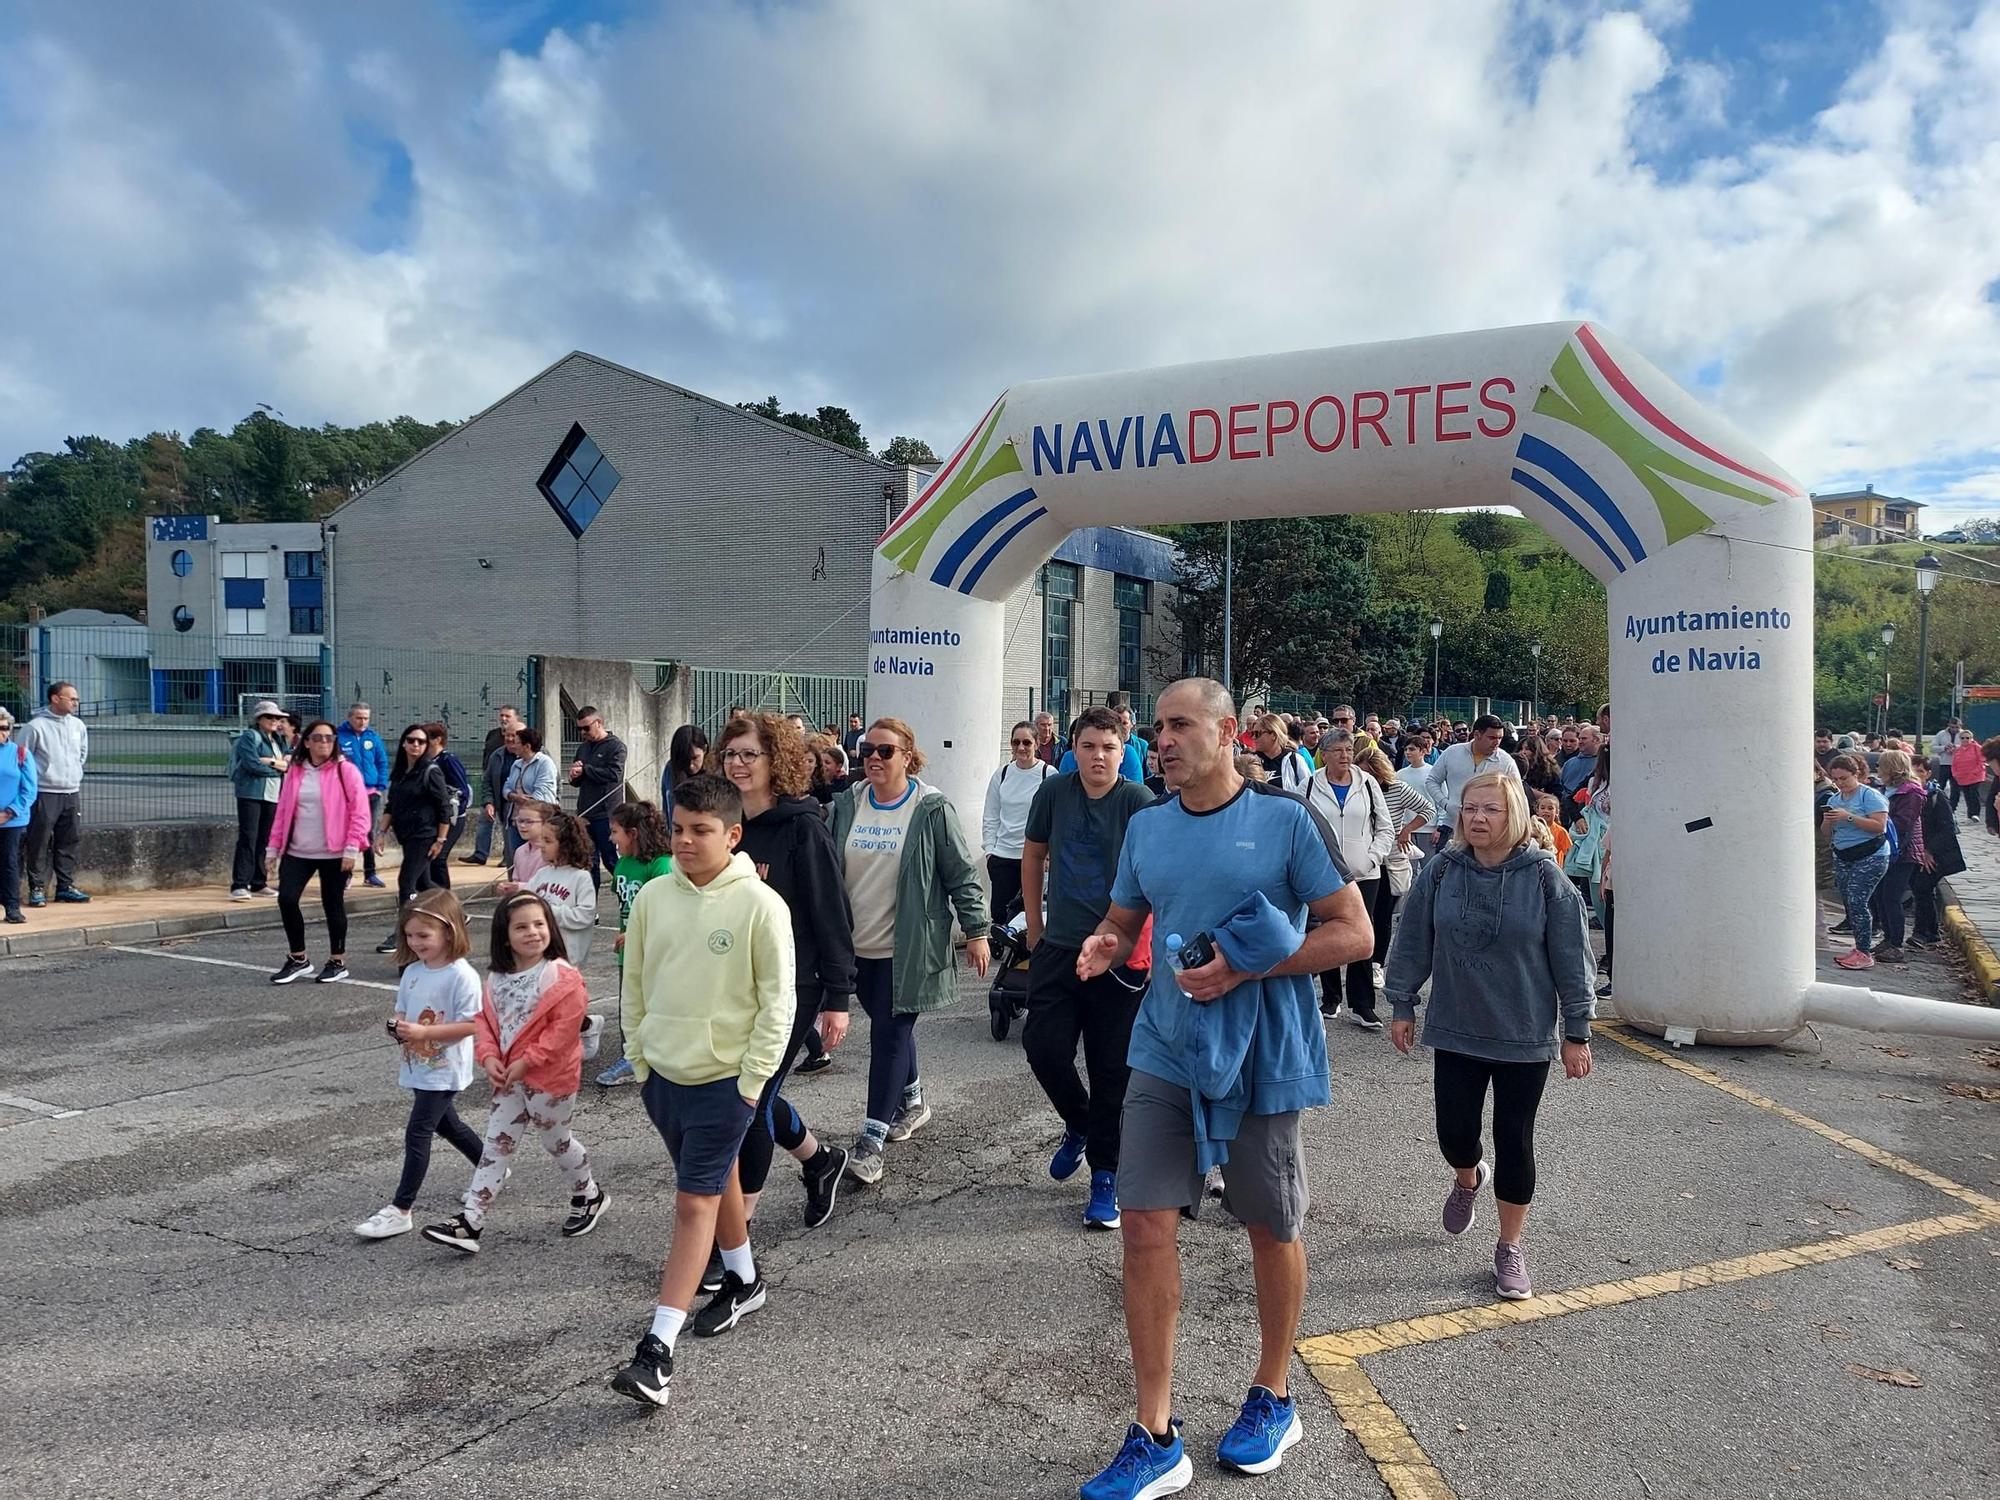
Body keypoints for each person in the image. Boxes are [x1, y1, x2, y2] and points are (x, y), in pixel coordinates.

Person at [1075, 679, 1372, 1495]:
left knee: (1269, 1226)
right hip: (1165, 1048)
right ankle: (1155, 1433)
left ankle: (1274, 1395)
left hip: (1263, 1052)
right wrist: (1104, 942)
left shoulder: (1284, 821)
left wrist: (1249, 962)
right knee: (1142, 1223)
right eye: (1157, 728)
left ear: (1227, 731)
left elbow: (1355, 931)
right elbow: (1125, 918)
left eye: (1178, 726)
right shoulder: (1146, 826)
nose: (1161, 741)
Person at [611, 774, 797, 1407]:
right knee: (714, 1185)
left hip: (726, 1084)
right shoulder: (656, 898)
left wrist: (751, 1085)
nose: (686, 841)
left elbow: (778, 1003)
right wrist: (640, 1059)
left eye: (701, 831)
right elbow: (633, 983)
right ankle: (745, 1278)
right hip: (663, 1077)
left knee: (693, 1204)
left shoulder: (760, 905)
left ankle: (657, 1351)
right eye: (679, 828)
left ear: (733, 834)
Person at [1384, 771, 1596, 1302]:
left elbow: (1574, 958)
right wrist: (1403, 1001)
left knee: (1514, 1137)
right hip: (1457, 1026)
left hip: (1524, 1034)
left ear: (1515, 816)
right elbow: (1413, 937)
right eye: (1470, 808)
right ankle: (1467, 1177)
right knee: (1454, 1133)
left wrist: (1577, 1030)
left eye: (1491, 810)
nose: (1478, 818)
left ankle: (1509, 1245)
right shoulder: (1442, 871)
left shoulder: (1547, 879)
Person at [829, 716, 990, 1186]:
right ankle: (913, 1099)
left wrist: (977, 929)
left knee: (890, 1033)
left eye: (885, 751)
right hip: (856, 947)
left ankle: (871, 1141)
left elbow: (960, 872)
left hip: (909, 946)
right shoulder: (846, 804)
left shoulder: (930, 807)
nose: (873, 759)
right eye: (867, 751)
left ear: (907, 756)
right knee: (888, 1021)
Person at [720, 713, 858, 1230]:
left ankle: (737, 1236)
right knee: (752, 1089)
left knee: (749, 1100)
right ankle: (820, 1162)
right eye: (731, 753)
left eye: (748, 754)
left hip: (795, 985)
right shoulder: (727, 828)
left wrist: (839, 998)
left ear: (775, 760)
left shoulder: (804, 829)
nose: (737, 763)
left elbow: (833, 916)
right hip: (734, 982)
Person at [1020, 706, 1155, 1232]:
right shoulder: (1054, 792)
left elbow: (1150, 878)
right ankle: (1079, 1123)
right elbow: (1033, 857)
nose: (1098, 756)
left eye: (1109, 747)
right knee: (1043, 1048)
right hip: (1058, 946)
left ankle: (1105, 1175)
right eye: (1089, 746)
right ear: (1073, 749)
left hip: (1119, 954)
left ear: (1124, 753)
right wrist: (1035, 930)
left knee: (1111, 1069)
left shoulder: (1137, 802)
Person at [422, 891, 606, 1253]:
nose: (533, 933)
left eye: (539, 924)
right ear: (504, 936)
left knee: (557, 1142)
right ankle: (471, 1220)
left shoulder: (562, 977)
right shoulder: (497, 978)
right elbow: (485, 1023)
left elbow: (563, 1031)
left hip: (548, 1080)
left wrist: (527, 1061)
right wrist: (488, 1057)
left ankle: (589, 1193)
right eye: (521, 927)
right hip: (509, 1079)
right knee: (495, 1145)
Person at [353, 889, 484, 1241]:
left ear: (450, 931)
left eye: (423, 935)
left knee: (418, 1131)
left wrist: (425, 1031)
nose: (415, 942)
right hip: (419, 1064)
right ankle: (492, 1169)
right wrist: (397, 1027)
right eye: (409, 935)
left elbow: (474, 1024)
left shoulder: (461, 975)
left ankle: (401, 1209)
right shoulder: (412, 971)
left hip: (444, 1068)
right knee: (449, 1126)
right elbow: (402, 1010)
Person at [265, 719, 370, 985]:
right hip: (298, 849)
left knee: (332, 904)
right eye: (318, 737)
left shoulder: (346, 771)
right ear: (307, 741)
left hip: (334, 851)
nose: (324, 742)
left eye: (329, 738)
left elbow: (360, 812)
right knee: (287, 899)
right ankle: (298, 958)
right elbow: (283, 812)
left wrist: (351, 847)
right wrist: (273, 848)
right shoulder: (296, 771)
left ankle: (337, 961)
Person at [1304, 729, 1395, 1029]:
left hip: (1364, 872)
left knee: (1361, 932)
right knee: (1328, 931)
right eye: (1338, 750)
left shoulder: (1367, 783)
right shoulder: (1309, 785)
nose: (1345, 756)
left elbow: (1385, 827)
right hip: (1324, 872)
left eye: (1348, 750)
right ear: (1325, 754)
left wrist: (1373, 856)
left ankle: (1363, 1003)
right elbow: (1299, 825)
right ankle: (1331, 997)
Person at [593, 799, 675, 1087]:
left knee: (653, 1005)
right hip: (628, 951)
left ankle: (644, 1059)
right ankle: (634, 1055)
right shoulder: (624, 865)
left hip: (653, 951)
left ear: (634, 833)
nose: (611, 838)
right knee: (628, 1005)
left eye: (615, 832)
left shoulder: (662, 865)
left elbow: (669, 911)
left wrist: (638, 934)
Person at [373, 725, 457, 955]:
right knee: (425, 885)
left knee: (406, 883)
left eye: (421, 742)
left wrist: (440, 839)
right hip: (406, 836)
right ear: (403, 743)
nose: (416, 745)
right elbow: (391, 806)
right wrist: (380, 833)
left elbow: (444, 808)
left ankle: (402, 936)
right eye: (411, 740)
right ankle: (454, 914)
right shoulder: (401, 772)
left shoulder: (431, 771)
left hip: (424, 835)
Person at [20, 680, 90, 907]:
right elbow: (22, 758)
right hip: (45, 793)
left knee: (68, 841)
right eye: (72, 698)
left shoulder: (78, 726)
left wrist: (73, 775)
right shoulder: (35, 726)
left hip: (71, 792)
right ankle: (37, 889)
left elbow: (81, 754)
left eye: (77, 699)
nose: (76, 703)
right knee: (39, 842)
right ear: (55, 698)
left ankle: (65, 887)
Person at [502, 808, 598, 967]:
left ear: (566, 845)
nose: (541, 846)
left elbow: (585, 916)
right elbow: (527, 902)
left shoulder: (580, 877)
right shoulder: (541, 874)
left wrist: (546, 910)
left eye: (548, 841)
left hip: (567, 958)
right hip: (542, 956)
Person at [1822, 753, 1890, 971]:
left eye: (1844, 778)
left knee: (1857, 900)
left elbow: (1880, 827)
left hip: (1871, 854)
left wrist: (1848, 817)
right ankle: (1859, 946)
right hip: (1843, 854)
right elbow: (1826, 834)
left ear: (1856, 774)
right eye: (1836, 780)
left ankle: (1864, 950)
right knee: (1849, 902)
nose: (1840, 784)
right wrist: (1828, 820)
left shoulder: (1869, 796)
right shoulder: (1834, 799)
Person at [983, 722, 1057, 923]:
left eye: (1027, 742)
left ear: (1037, 744)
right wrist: (990, 851)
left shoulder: (1049, 775)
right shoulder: (1002, 774)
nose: (1021, 748)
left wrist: (1049, 853)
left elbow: (1055, 818)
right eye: (1016, 743)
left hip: (1035, 857)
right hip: (1003, 855)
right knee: (1000, 914)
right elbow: (991, 815)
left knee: (1029, 916)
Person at [1866, 749, 1927, 965]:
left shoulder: (1911, 792)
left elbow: (1904, 824)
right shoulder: (1887, 789)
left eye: (1882, 765)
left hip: (1903, 852)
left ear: (1892, 768)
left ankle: (1896, 943)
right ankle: (1888, 937)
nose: (1878, 769)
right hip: (1886, 848)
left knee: (1892, 897)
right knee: (1881, 895)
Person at [227, 701, 289, 901]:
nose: (274, 721)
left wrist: (272, 763)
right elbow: (252, 764)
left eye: (277, 718)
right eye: (269, 717)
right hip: (250, 793)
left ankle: (259, 882)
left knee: (265, 839)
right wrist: (277, 768)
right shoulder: (249, 737)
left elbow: (288, 764)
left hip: (272, 794)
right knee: (248, 837)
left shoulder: (278, 740)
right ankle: (239, 883)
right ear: (259, 719)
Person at [1427, 714, 1522, 842]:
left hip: (1489, 830)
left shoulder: (1506, 761)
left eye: (1500, 738)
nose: (1497, 742)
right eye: (1492, 737)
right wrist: (1446, 804)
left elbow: (1518, 796)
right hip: (1453, 826)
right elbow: (1432, 781)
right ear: (1477, 735)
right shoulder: (1452, 752)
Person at [569, 705, 627, 887]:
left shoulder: (616, 747)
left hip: (606, 813)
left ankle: (627, 898)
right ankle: (589, 909)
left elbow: (615, 774)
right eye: (579, 729)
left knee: (611, 860)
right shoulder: (583, 749)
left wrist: (586, 769)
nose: (583, 733)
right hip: (586, 813)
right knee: (588, 864)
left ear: (599, 723)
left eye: (586, 728)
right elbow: (579, 780)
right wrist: (574, 775)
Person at [337, 703, 391, 888]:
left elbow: (382, 762)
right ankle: (346, 874)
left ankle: (370, 873)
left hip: (371, 792)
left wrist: (380, 786)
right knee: (348, 832)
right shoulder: (338, 736)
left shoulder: (373, 738)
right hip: (347, 793)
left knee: (367, 832)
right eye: (359, 718)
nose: (362, 721)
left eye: (366, 718)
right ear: (350, 717)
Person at [463, 706, 525, 865]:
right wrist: (489, 801)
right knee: (486, 820)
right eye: (501, 715)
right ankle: (480, 854)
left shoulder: (535, 756)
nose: (510, 739)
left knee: (511, 831)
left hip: (518, 800)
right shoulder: (495, 746)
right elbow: (488, 772)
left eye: (507, 716)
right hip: (496, 791)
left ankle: (508, 858)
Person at [501, 725, 559, 864]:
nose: (514, 746)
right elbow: (506, 788)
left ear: (527, 746)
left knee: (538, 861)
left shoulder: (545, 763)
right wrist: (514, 797)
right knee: (516, 861)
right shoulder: (516, 764)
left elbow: (542, 795)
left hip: (538, 822)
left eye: (517, 743)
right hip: (516, 820)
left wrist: (524, 801)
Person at [423, 722, 471, 887]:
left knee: (439, 856)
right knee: (429, 857)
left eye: (425, 739)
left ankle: (445, 897)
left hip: (451, 817)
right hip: (433, 817)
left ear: (437, 740)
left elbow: (462, 790)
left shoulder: (448, 760)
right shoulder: (426, 761)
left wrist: (448, 800)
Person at [0, 707, 36, 924]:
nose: (1, 732)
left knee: (9, 862)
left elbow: (30, 789)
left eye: (4, 727)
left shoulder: (20, 753)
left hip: (12, 820)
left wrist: (10, 812)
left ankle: (12, 907)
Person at [1249, 712, 1314, 795]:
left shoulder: (1294, 759)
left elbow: (1308, 790)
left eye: (1257, 734)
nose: (1253, 738)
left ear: (1273, 735)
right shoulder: (1251, 761)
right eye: (1252, 734)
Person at [660, 723, 710, 812]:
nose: (690, 765)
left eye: (695, 758)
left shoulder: (716, 773)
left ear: (705, 749)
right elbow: (665, 809)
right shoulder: (670, 770)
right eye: (684, 759)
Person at [1948, 730, 1987, 821]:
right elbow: (1954, 763)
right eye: (1963, 738)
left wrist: (1974, 772)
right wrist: (1955, 774)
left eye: (1967, 738)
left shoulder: (1977, 747)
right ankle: (1970, 815)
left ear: (1971, 738)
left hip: (1975, 776)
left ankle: (1975, 813)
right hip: (1962, 777)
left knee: (1974, 794)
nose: (1965, 740)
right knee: (1967, 795)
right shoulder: (1958, 750)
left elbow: (1982, 761)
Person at [808, 739, 851, 808]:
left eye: (827, 762)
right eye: (821, 762)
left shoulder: (842, 784)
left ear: (838, 766)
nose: (823, 765)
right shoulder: (815, 781)